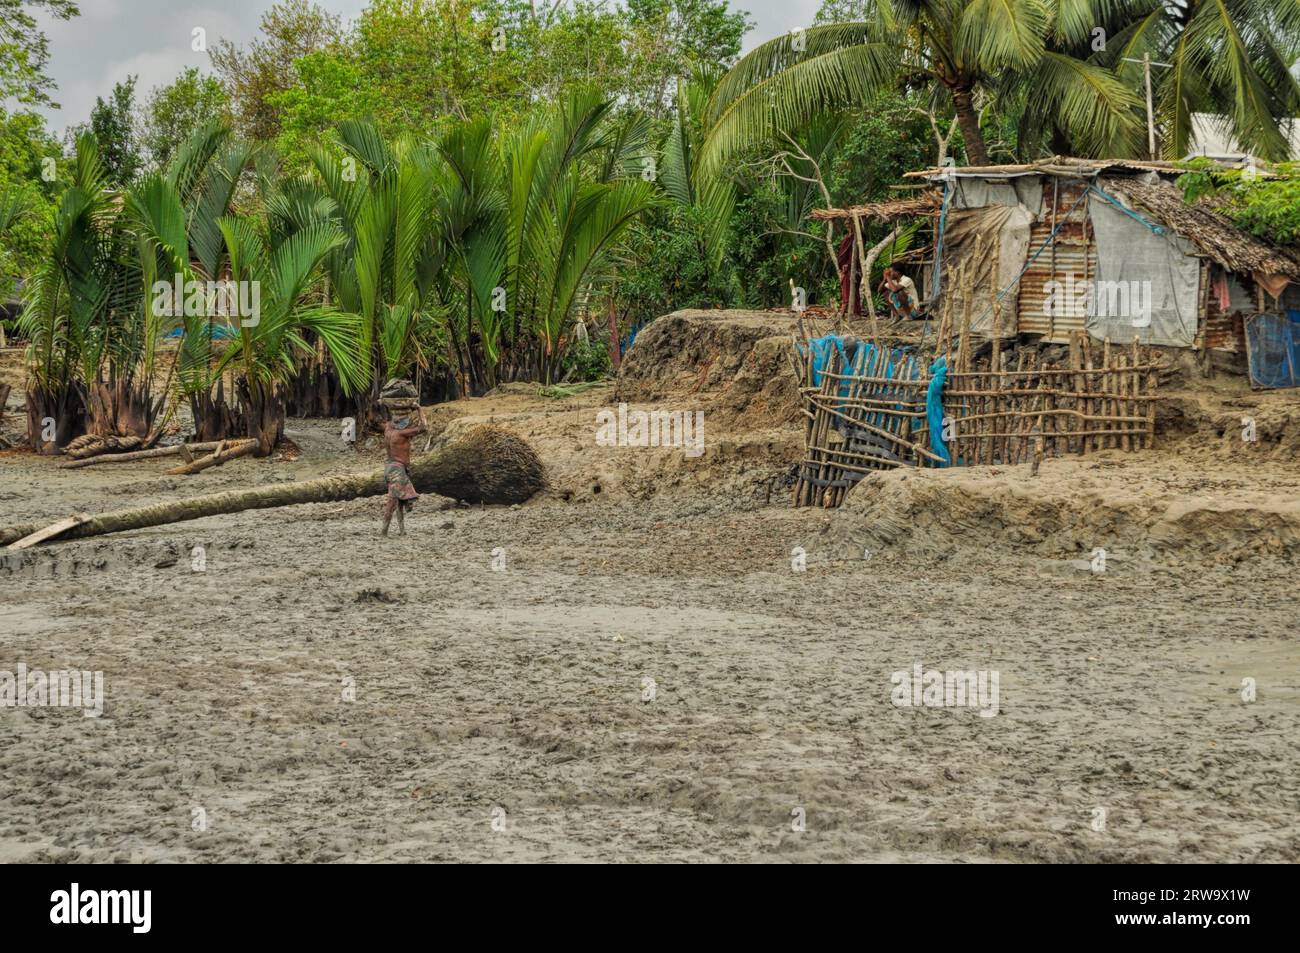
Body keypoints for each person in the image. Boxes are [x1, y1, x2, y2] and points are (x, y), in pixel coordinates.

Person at [381, 408, 427, 537]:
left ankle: (402, 530)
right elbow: (423, 427)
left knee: (399, 501)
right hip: (397, 469)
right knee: (392, 501)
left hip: (391, 467)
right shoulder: (402, 434)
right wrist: (419, 409)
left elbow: (390, 421)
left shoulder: (388, 429)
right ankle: (384, 531)